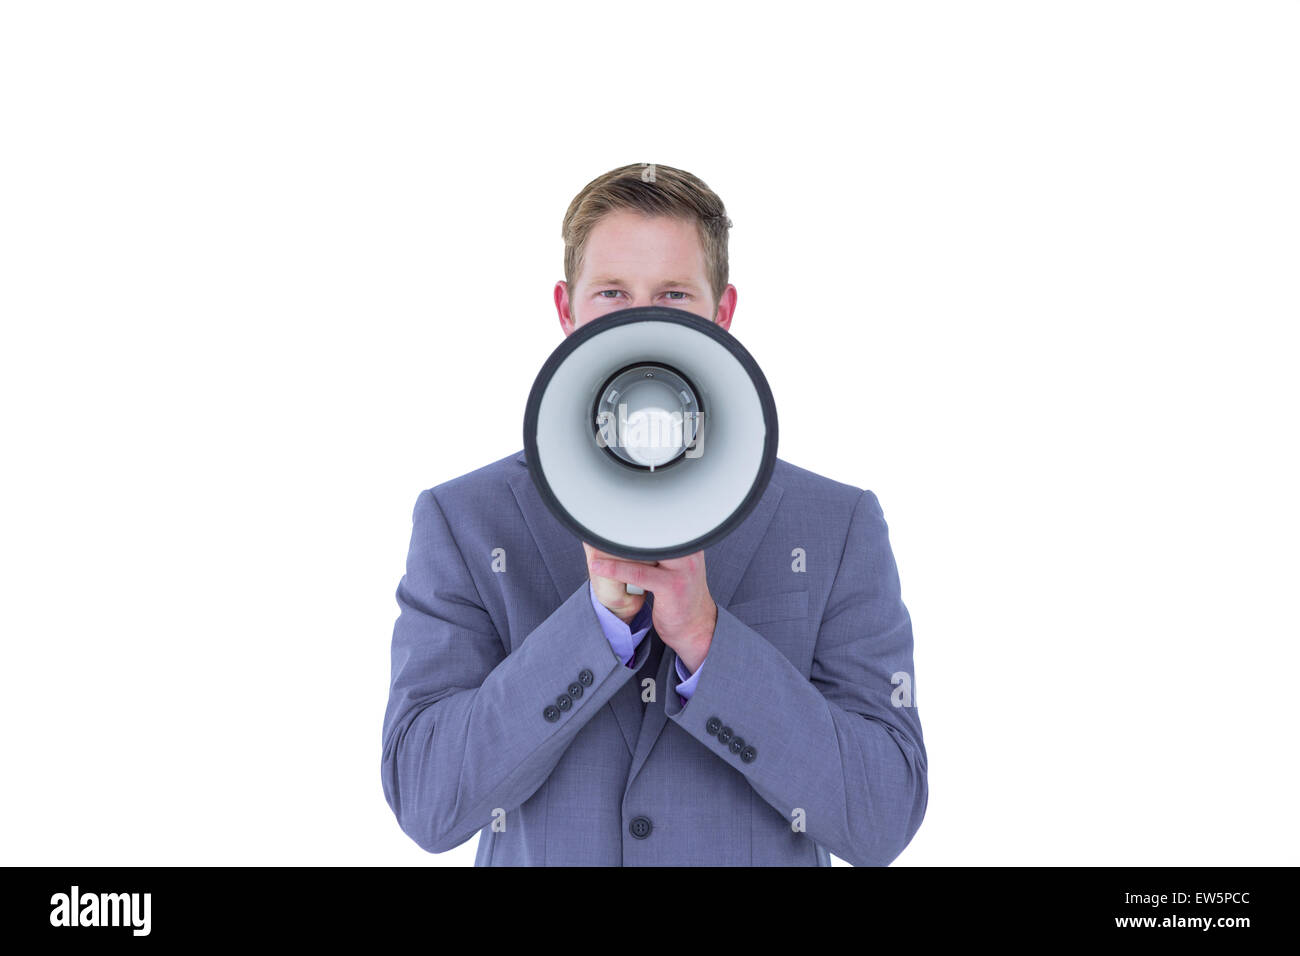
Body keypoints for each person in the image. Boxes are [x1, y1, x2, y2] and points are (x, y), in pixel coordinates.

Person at [380, 163, 928, 866]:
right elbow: (428, 801)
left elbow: (883, 816)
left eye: (673, 294)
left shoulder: (834, 525)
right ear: (566, 311)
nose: (641, 321)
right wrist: (593, 629)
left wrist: (707, 640)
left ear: (721, 314)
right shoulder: (466, 522)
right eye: (612, 293)